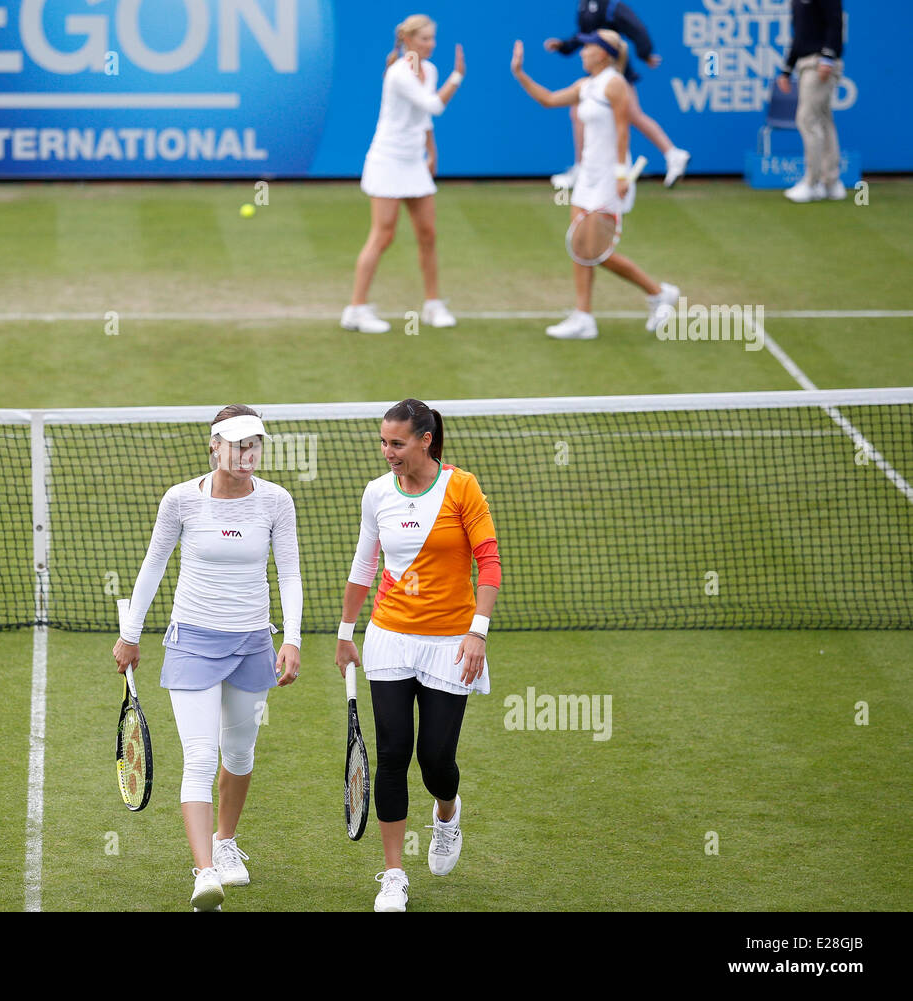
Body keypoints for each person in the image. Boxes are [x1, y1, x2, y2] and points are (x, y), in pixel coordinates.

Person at [113, 405, 301, 912]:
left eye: (254, 444)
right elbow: (154, 565)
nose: (246, 454)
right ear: (214, 447)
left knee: (239, 755)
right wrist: (130, 634)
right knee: (199, 756)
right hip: (192, 642)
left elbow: (290, 575)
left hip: (253, 644)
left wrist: (294, 639)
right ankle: (204, 873)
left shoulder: (277, 502)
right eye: (236, 445)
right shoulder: (180, 501)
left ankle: (225, 840)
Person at [335, 399, 501, 912]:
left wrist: (478, 632)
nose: (388, 452)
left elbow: (488, 562)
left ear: (426, 440)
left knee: (435, 760)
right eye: (384, 442)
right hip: (390, 636)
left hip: (451, 642)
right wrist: (346, 631)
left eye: (397, 443)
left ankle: (447, 814)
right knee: (391, 756)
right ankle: (392, 876)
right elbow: (365, 564)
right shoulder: (377, 493)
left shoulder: (462, 487)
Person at [512, 33, 680, 341]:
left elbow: (622, 130)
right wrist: (520, 73)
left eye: (588, 48)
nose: (583, 52)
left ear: (603, 55)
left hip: (608, 178)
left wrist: (620, 175)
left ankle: (659, 293)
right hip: (588, 176)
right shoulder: (586, 85)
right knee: (580, 248)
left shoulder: (615, 84)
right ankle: (583, 317)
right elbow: (548, 99)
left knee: (597, 251)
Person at [342, 14, 466, 334]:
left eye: (433, 38)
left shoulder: (431, 69)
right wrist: (457, 77)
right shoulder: (398, 73)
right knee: (383, 235)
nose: (431, 44)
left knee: (428, 234)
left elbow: (424, 117)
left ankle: (433, 304)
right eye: (425, 39)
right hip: (387, 160)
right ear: (409, 40)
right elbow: (433, 105)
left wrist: (432, 153)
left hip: (414, 162)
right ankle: (355, 309)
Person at [544, 1, 690, 188]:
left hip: (612, 68)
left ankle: (582, 168)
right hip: (598, 68)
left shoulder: (611, 5)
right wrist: (564, 46)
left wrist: (645, 53)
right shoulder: (584, 5)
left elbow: (636, 28)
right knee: (625, 114)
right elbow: (584, 36)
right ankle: (673, 153)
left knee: (620, 114)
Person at [779, 0, 845, 203]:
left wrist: (828, 57)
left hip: (820, 63)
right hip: (805, 63)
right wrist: (787, 69)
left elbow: (835, 23)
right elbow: (799, 35)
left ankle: (812, 182)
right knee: (823, 120)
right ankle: (831, 183)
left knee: (807, 119)